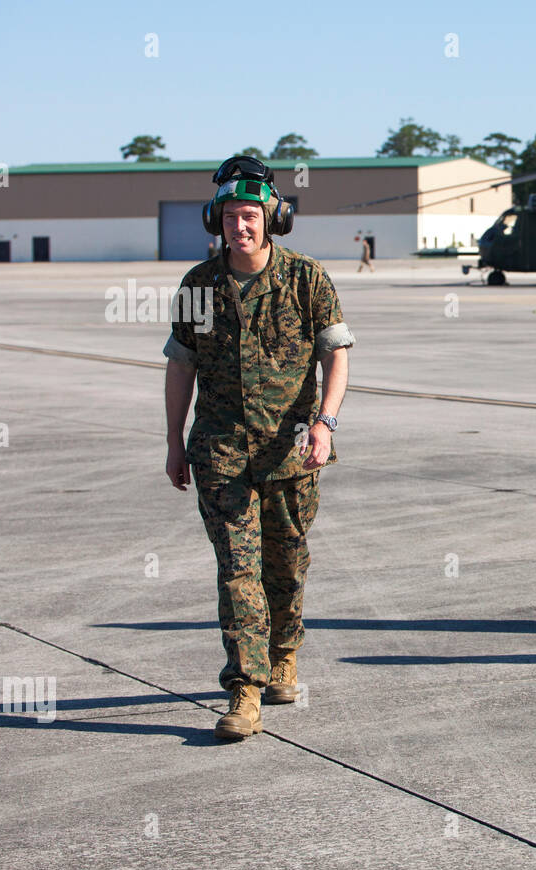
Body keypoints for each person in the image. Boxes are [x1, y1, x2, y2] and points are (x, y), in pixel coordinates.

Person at [164, 156, 355, 739]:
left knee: (287, 563)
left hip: (292, 449)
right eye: (229, 216)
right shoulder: (199, 285)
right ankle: (244, 690)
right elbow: (182, 366)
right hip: (220, 451)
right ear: (214, 220)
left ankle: (284, 653)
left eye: (250, 215)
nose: (239, 226)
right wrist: (173, 440)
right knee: (236, 569)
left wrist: (325, 423)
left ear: (272, 218)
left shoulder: (307, 279)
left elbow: (336, 356)